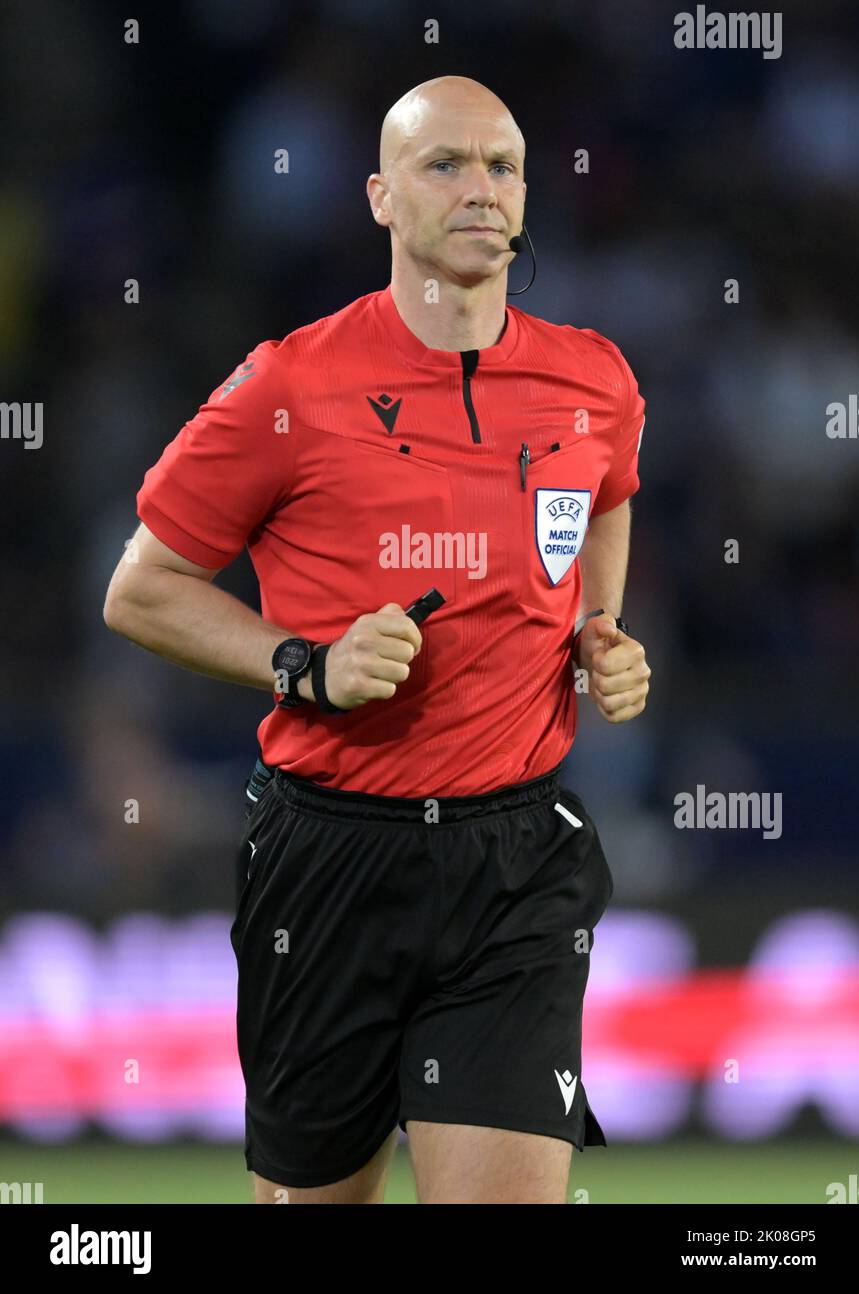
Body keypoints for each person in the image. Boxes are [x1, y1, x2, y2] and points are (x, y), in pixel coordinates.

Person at [103, 75, 650, 1204]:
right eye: (443, 165)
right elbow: (142, 589)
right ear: (379, 200)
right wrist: (304, 665)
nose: (480, 190)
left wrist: (599, 627)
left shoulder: (592, 377)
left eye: (501, 166)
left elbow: (604, 494)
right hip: (330, 859)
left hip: (516, 862)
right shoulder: (287, 384)